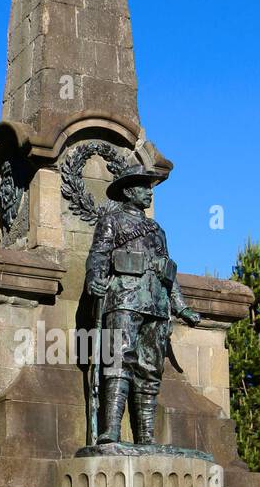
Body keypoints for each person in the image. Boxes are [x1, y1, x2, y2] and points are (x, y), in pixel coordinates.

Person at [85, 161, 200, 444]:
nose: (149, 193)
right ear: (127, 191)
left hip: (157, 305)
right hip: (124, 298)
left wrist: (181, 305)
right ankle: (111, 429)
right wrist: (95, 280)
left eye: (150, 188)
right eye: (143, 187)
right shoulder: (111, 221)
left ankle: (146, 437)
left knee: (150, 370)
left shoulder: (156, 229)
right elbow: (98, 255)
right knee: (118, 362)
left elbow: (168, 271)